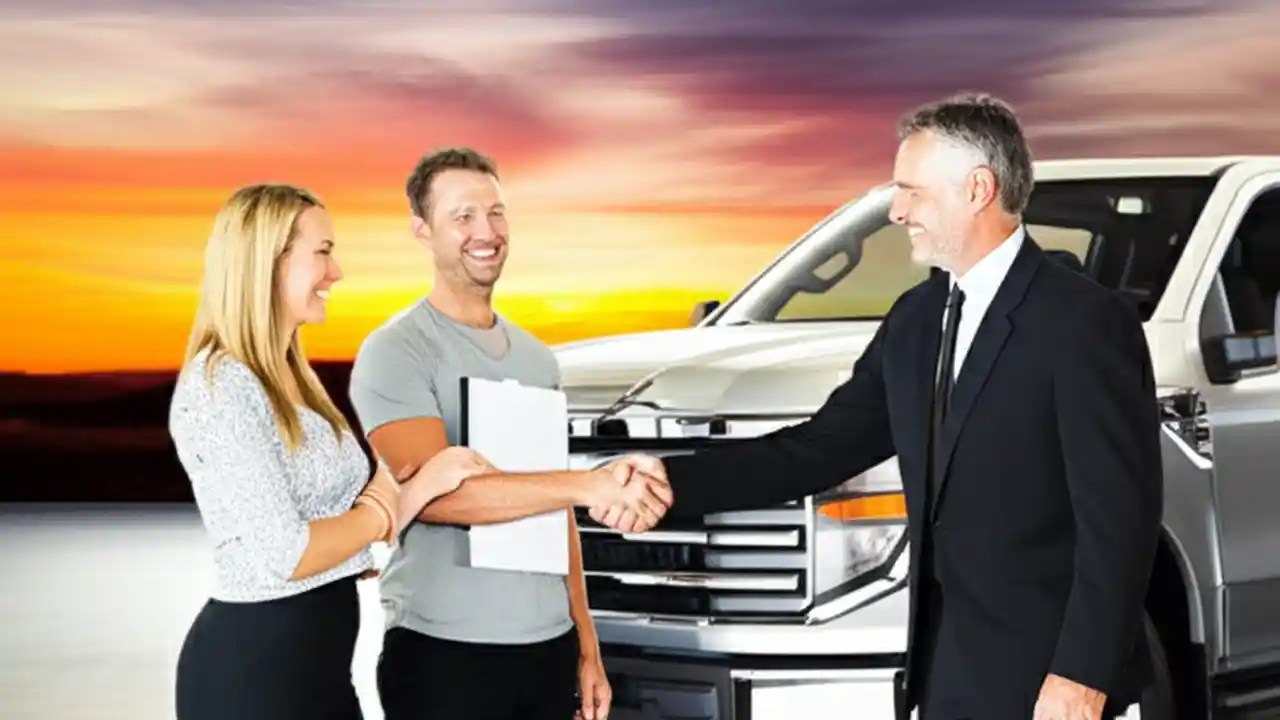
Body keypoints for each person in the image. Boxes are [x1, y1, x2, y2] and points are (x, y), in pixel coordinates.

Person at [594, 94, 1163, 720]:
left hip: (1051, 686)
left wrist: (1081, 678)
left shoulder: (1083, 323)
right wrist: (668, 478)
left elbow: (1121, 523)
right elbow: (817, 450)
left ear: (978, 189)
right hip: (946, 677)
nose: (897, 211)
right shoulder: (915, 323)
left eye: (912, 191)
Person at [347, 147, 670, 720]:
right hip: (444, 654)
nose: (486, 232)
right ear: (422, 230)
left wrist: (586, 646)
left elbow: (557, 513)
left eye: (496, 213)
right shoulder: (396, 351)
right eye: (463, 216)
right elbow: (438, 498)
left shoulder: (537, 360)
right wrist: (587, 485)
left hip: (546, 651)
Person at [168, 184, 493, 720]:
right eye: (322, 251)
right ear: (267, 262)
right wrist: (385, 507)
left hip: (314, 671)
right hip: (254, 679)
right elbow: (289, 552)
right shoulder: (222, 386)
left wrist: (421, 483)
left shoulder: (289, 379)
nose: (336, 271)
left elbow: (352, 518)